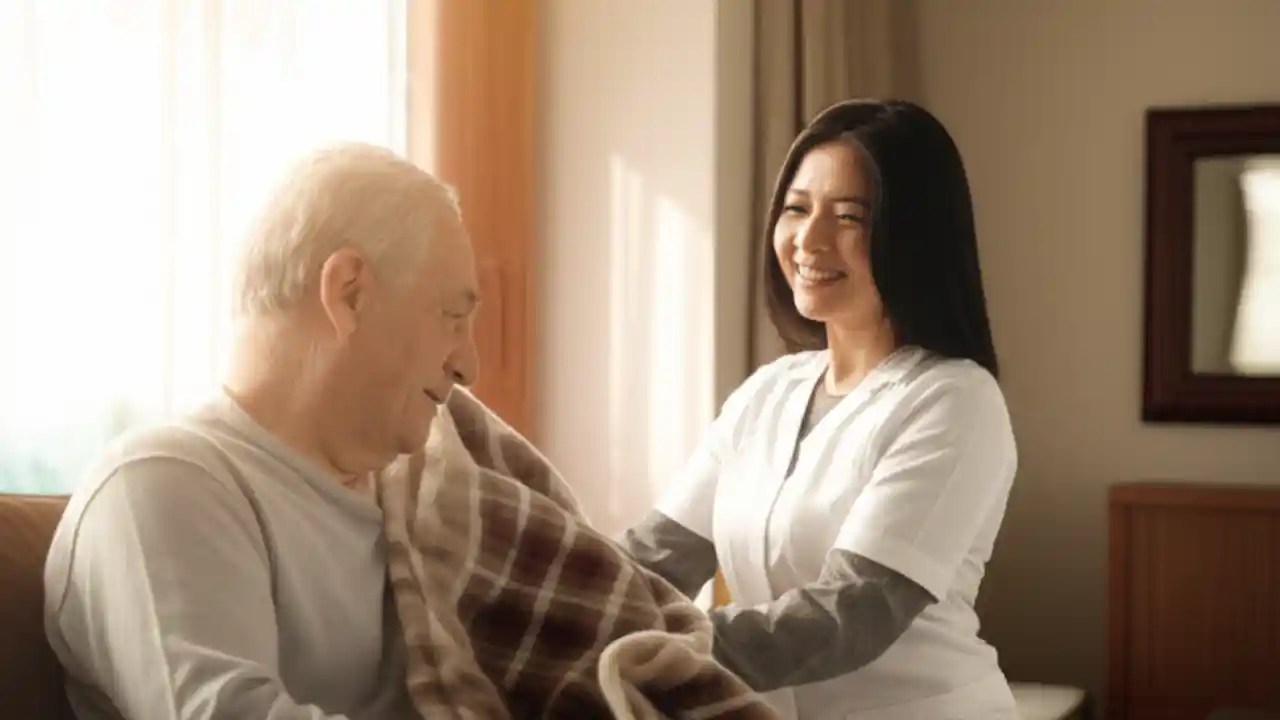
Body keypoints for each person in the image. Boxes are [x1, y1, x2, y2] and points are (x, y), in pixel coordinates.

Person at [43, 144, 479, 719]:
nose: (468, 366)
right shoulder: (167, 481)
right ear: (350, 293)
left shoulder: (427, 506)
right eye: (452, 316)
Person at [624, 99, 1019, 719]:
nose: (809, 240)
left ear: (912, 234)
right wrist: (541, 597)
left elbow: (852, 613)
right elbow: (655, 559)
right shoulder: (767, 394)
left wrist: (659, 652)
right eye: (796, 209)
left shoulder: (955, 401)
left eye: (849, 218)